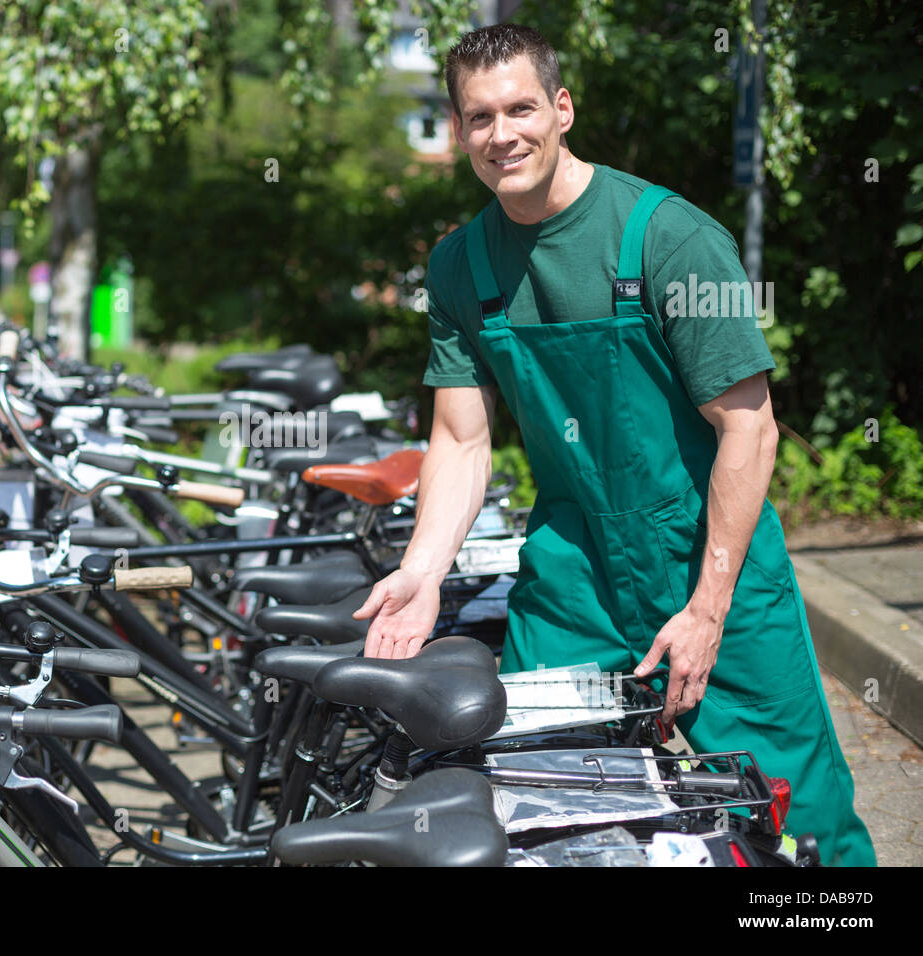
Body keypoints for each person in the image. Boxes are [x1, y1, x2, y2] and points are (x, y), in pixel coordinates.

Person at [353, 23, 876, 867]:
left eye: (521, 108)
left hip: (710, 563)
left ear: (561, 109)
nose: (502, 134)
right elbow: (459, 439)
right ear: (458, 132)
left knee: (797, 822)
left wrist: (706, 610)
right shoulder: (459, 269)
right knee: (546, 807)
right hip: (572, 576)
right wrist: (422, 571)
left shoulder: (668, 239)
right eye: (479, 117)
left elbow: (750, 426)